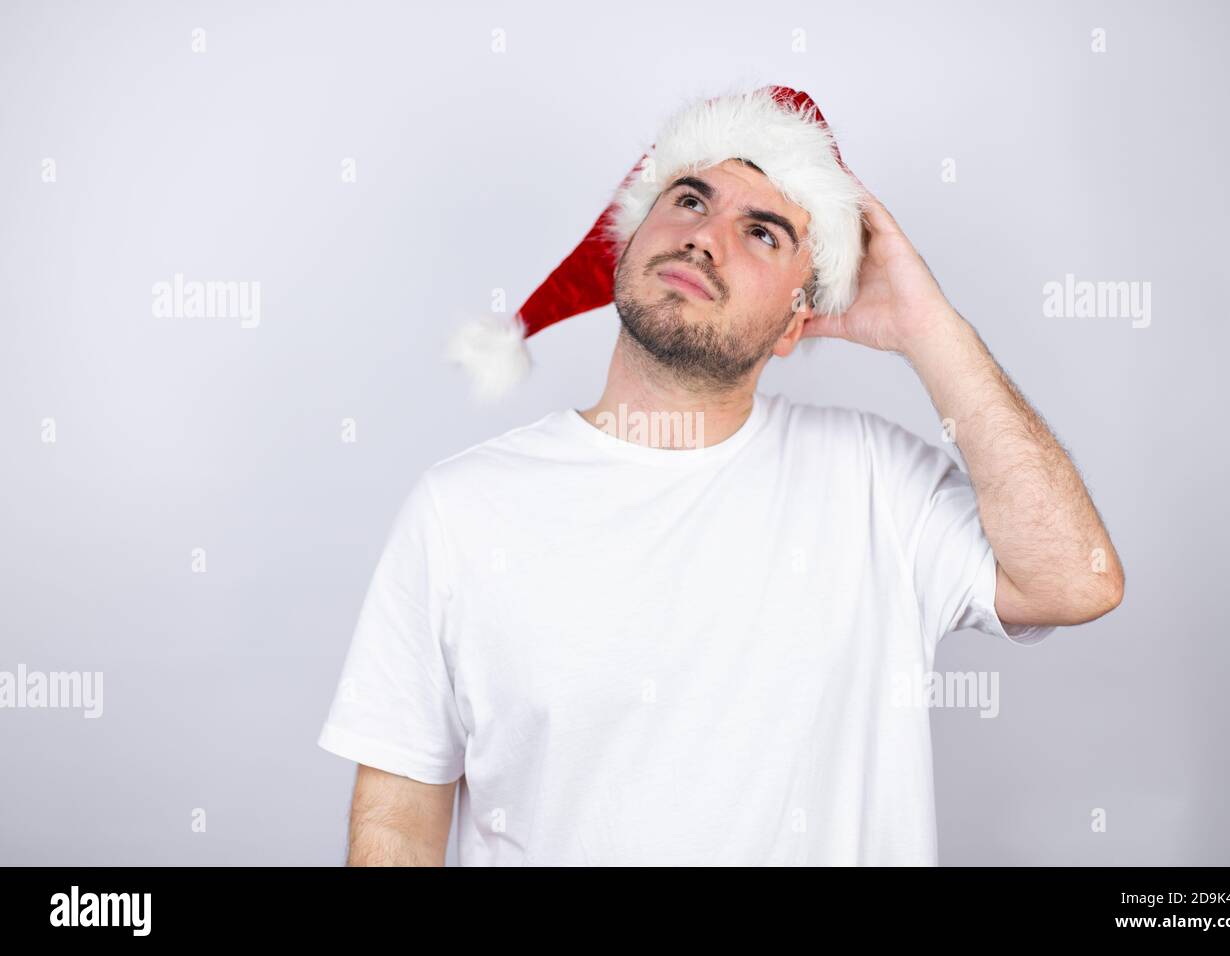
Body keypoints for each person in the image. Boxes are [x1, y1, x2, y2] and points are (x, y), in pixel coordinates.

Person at [317, 84, 1124, 866]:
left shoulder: (877, 485)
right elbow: (399, 822)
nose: (707, 237)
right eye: (691, 200)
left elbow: (1074, 581)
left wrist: (928, 325)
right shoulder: (461, 510)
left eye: (764, 232)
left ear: (796, 323)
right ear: (628, 241)